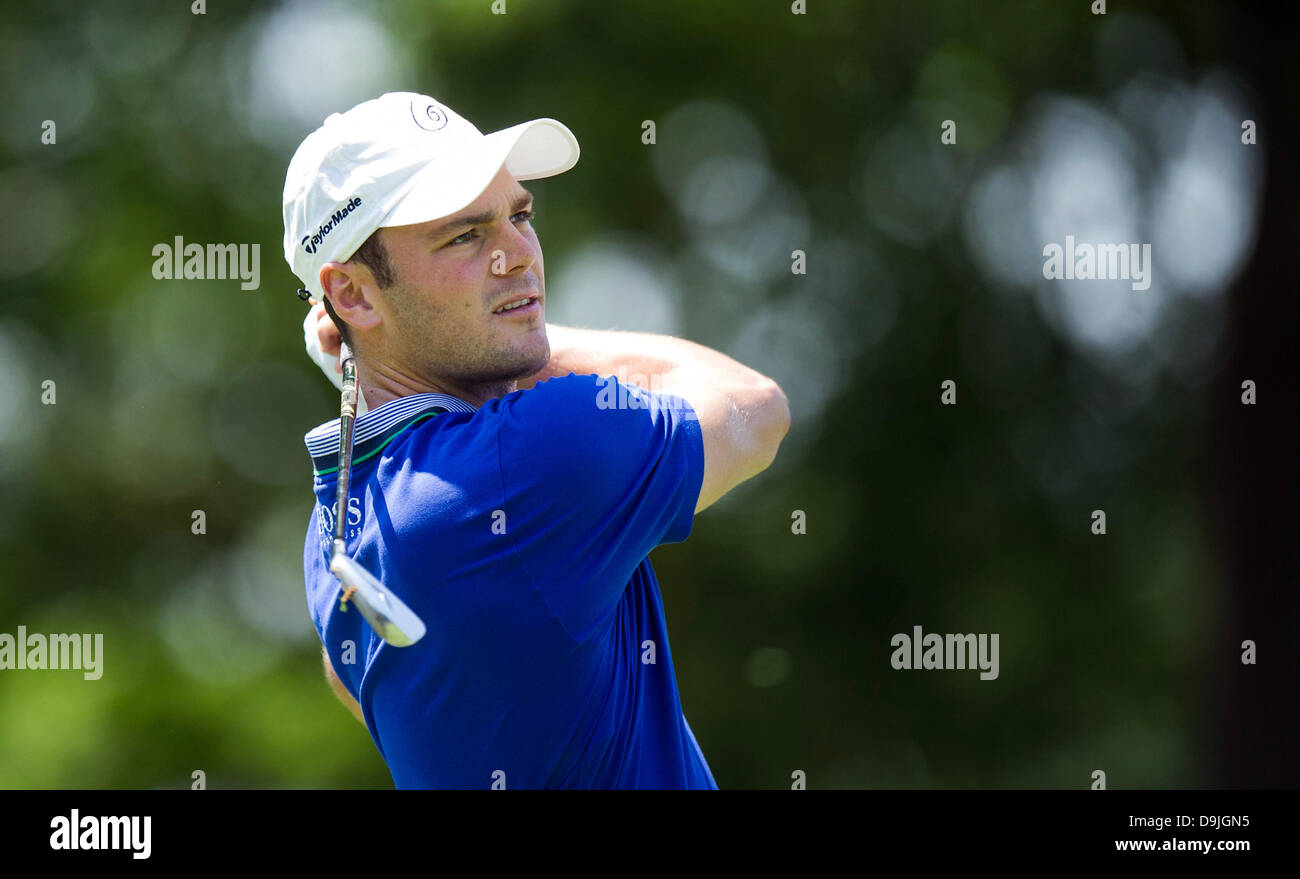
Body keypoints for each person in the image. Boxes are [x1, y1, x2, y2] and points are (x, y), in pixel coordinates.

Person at [283, 92, 790, 789]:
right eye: (464, 236)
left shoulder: (330, 527)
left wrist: (372, 354)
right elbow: (754, 409)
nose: (518, 254)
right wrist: (532, 340)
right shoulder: (536, 456)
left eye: (519, 216)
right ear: (354, 296)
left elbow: (357, 682)